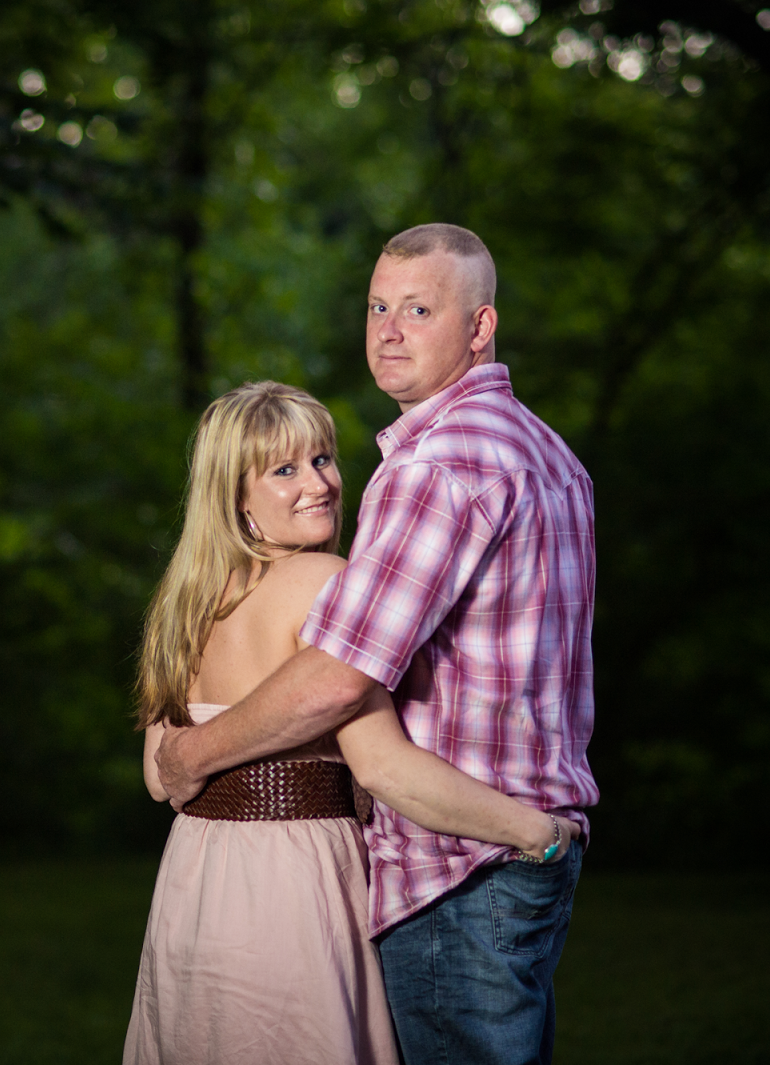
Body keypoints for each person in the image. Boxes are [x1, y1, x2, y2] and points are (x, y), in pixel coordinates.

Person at [156, 224, 599, 1065]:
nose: (389, 331)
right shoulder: (552, 455)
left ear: (480, 326)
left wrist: (190, 758)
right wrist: (545, 832)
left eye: (418, 310)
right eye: (376, 307)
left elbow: (338, 683)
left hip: (457, 859)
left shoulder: (436, 465)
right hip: (514, 848)